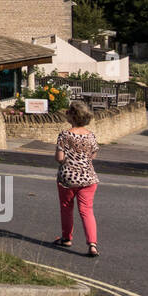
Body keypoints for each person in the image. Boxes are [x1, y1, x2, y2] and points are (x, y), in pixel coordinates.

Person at [54, 99, 100, 257]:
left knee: (67, 208)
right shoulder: (91, 136)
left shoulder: (65, 135)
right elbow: (93, 154)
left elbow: (60, 158)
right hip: (88, 178)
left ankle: (66, 238)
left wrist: (67, 158)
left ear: (72, 116)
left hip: (68, 178)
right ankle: (92, 244)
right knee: (86, 211)